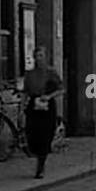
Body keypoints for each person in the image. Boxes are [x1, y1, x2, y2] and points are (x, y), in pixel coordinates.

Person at [23, 46, 64, 179]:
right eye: (36, 56)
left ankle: (41, 166)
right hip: (33, 105)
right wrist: (22, 107)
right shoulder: (30, 74)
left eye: (41, 56)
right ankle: (36, 153)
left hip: (47, 105)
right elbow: (26, 92)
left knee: (45, 136)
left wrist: (49, 96)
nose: (38, 59)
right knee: (32, 133)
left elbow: (61, 89)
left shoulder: (51, 72)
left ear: (45, 57)